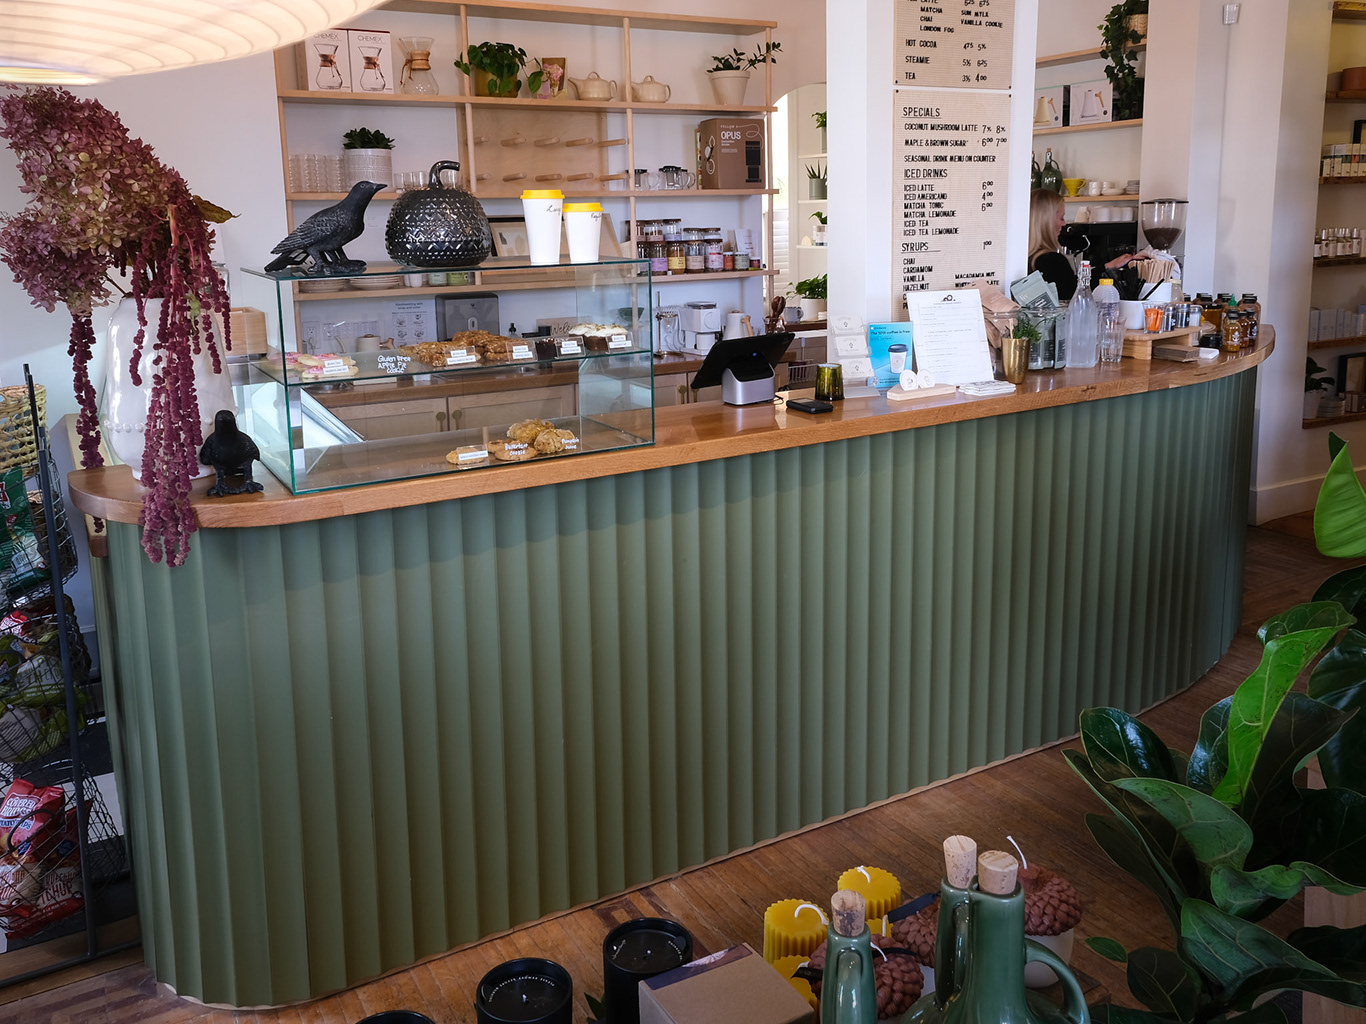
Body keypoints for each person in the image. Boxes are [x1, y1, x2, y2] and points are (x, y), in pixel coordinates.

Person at [1028, 188, 1133, 300]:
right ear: (1046, 221)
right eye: (1061, 218)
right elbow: (1076, 294)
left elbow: (1070, 285)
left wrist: (1107, 266)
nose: (1064, 223)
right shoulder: (1052, 260)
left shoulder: (1022, 259)